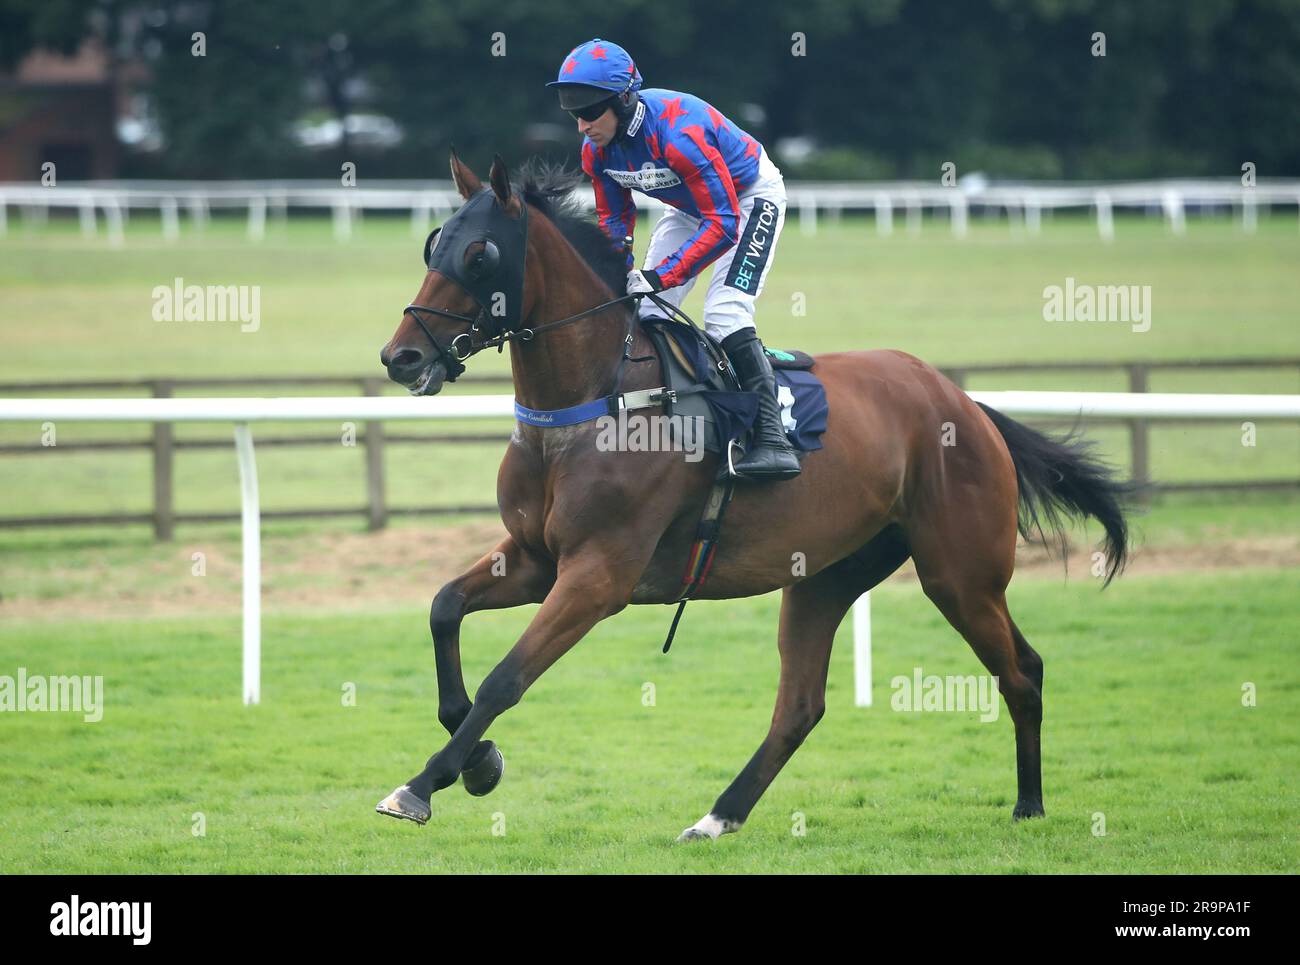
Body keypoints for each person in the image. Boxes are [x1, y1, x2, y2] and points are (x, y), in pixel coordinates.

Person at [546, 38, 800, 480]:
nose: (582, 127)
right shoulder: (596, 150)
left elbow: (723, 224)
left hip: (747, 200)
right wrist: (618, 272)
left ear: (624, 100)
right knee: (645, 311)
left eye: (590, 113)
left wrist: (662, 275)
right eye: (574, 115)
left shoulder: (680, 136)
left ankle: (772, 440)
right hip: (690, 208)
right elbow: (615, 220)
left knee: (725, 313)